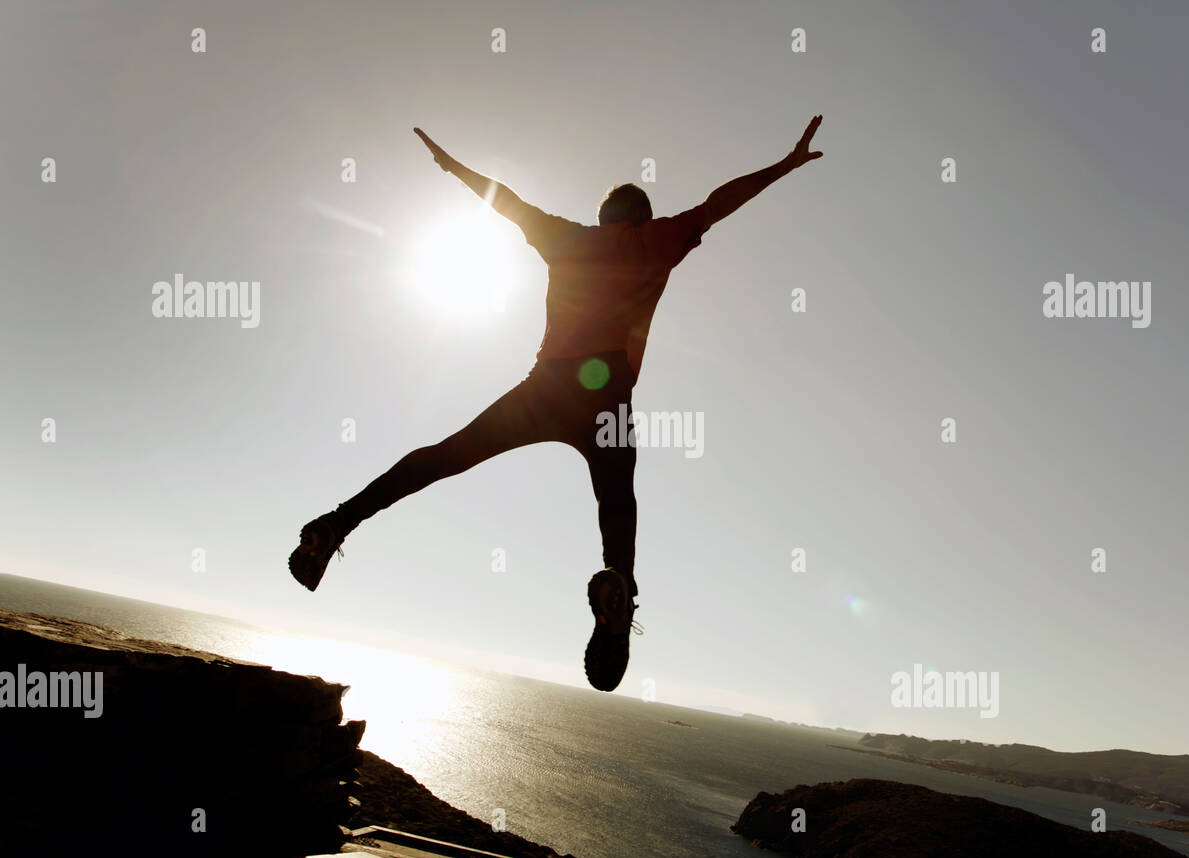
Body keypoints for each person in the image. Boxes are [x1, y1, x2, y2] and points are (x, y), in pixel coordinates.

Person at [290, 115, 824, 692]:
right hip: (608, 397)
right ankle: (618, 586)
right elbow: (721, 202)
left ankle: (336, 524)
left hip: (546, 388)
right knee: (617, 501)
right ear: (641, 218)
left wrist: (450, 166)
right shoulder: (659, 240)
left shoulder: (569, 239)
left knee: (445, 456)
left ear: (603, 218)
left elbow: (507, 201)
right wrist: (785, 165)